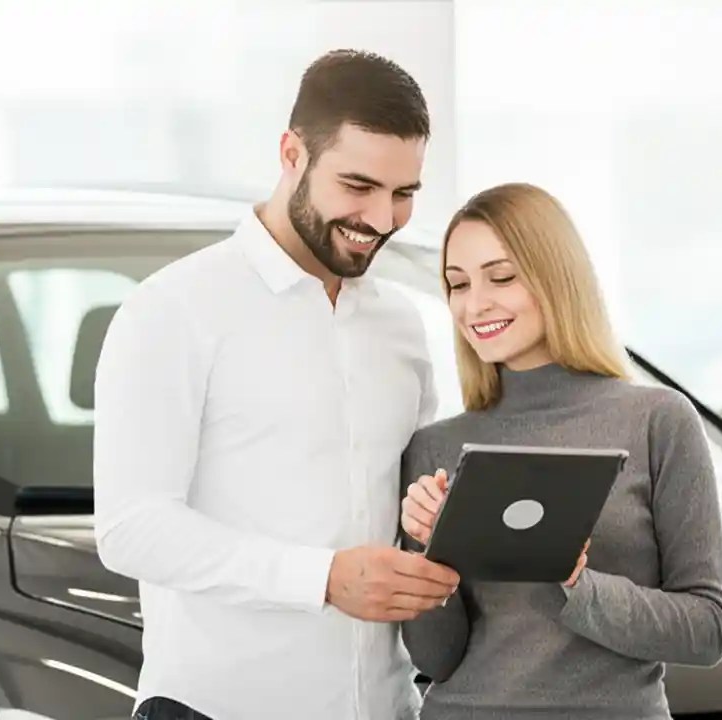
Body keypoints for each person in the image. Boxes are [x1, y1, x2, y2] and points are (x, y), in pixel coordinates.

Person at [92, 49, 460, 720]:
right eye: (358, 185)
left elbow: (410, 502)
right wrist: (321, 579)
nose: (381, 217)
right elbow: (130, 528)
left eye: (404, 193)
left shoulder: (401, 325)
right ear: (292, 153)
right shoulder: (174, 309)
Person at [399, 182, 722, 719]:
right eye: (456, 284)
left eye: (501, 276)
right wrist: (424, 557)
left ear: (556, 276)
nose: (474, 303)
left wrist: (578, 583)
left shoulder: (657, 420)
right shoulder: (435, 446)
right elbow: (436, 659)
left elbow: (709, 629)